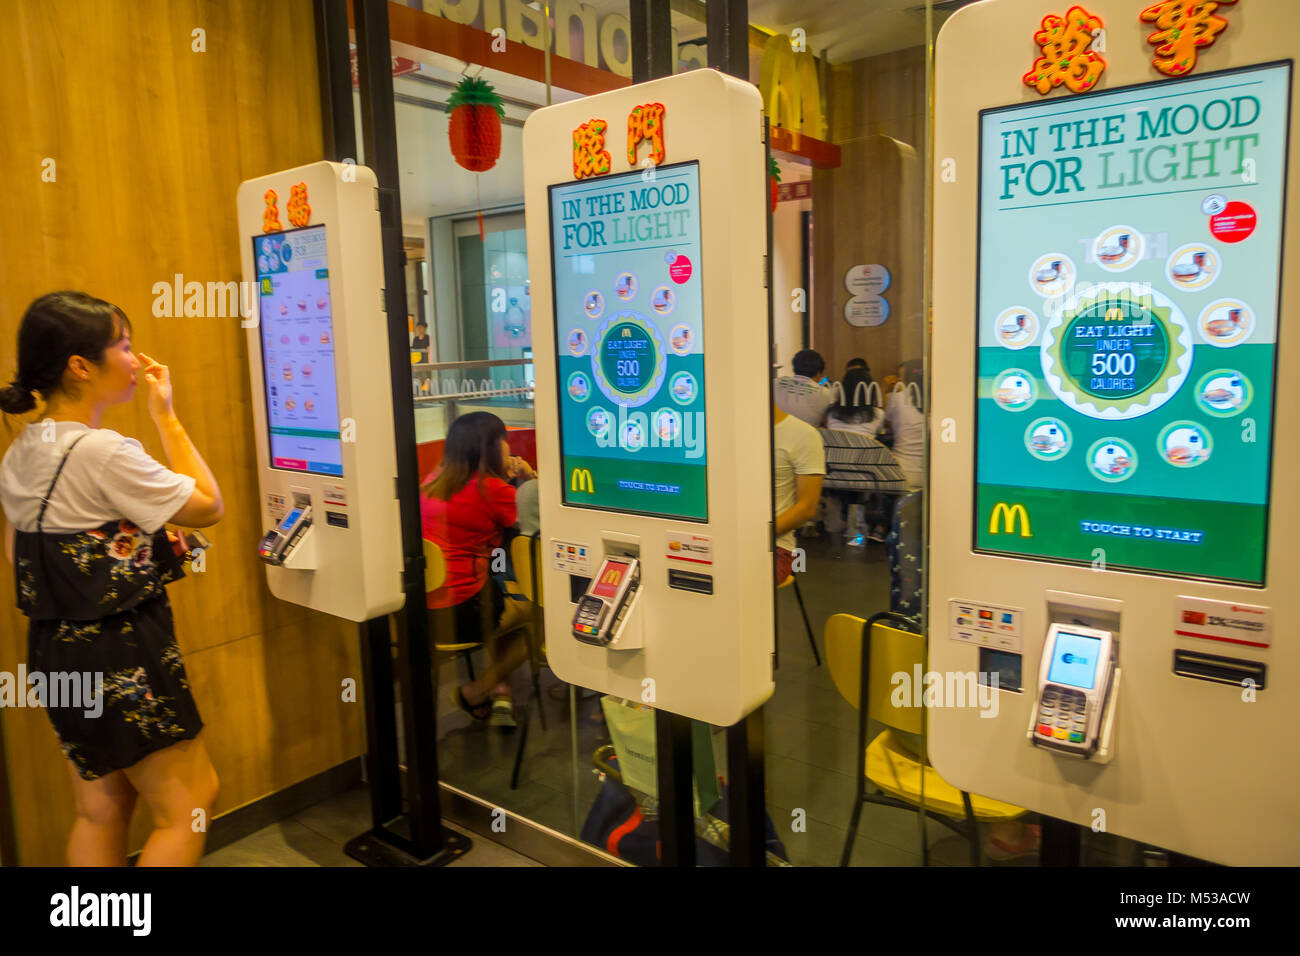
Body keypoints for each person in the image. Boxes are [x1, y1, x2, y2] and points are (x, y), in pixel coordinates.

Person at [0, 291, 222, 866]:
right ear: (80, 366)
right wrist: (165, 414)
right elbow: (206, 505)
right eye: (122, 346)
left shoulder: (23, 450)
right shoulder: (102, 451)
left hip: (55, 651)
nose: (135, 359)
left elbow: (16, 554)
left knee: (100, 807)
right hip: (122, 650)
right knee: (190, 803)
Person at [422, 412, 535, 730]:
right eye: (504, 441)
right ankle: (478, 690)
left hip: (423, 610)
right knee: (537, 616)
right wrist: (527, 476)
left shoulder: (434, 479)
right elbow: (539, 517)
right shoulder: (490, 489)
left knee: (501, 579)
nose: (508, 448)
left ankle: (503, 691)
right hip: (462, 613)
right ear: (491, 447)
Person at [773, 403, 825, 584]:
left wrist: (753, 536)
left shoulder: (803, 435)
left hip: (776, 547)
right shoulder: (730, 431)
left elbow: (806, 509)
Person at [773, 348, 833, 428]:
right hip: (806, 437)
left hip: (773, 437)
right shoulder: (825, 394)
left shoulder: (774, 383)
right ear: (818, 373)